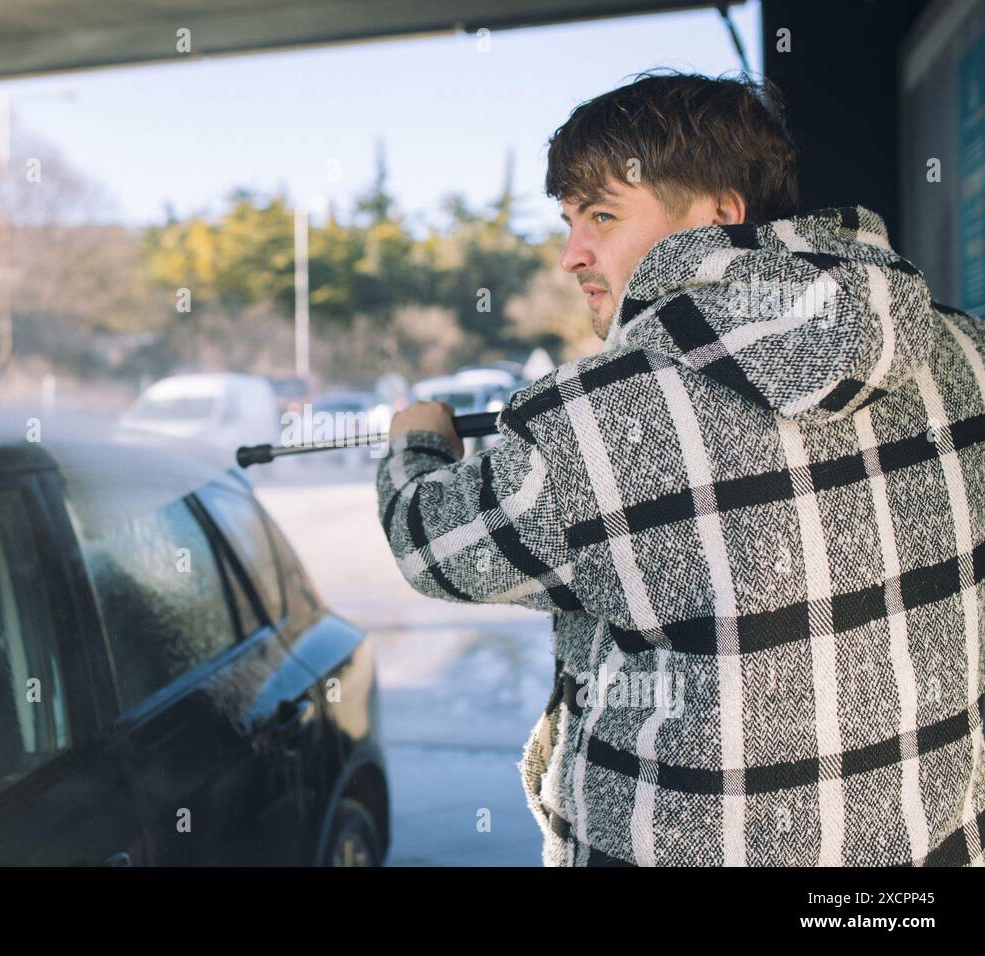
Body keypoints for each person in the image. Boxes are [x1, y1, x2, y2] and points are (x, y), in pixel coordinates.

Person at [375, 69, 985, 866]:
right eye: (567, 221)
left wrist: (417, 444)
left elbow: (432, 547)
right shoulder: (968, 352)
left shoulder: (591, 420)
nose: (571, 255)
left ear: (721, 213)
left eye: (601, 215)